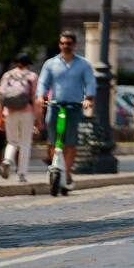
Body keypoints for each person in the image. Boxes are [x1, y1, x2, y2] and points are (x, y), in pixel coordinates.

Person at [35, 30, 95, 192]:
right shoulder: (51, 63)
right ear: (59, 44)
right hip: (55, 107)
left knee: (70, 142)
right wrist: (40, 96)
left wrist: (89, 98)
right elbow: (42, 82)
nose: (65, 46)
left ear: (74, 45)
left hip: (74, 107)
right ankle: (56, 165)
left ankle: (67, 172)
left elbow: (90, 82)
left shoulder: (83, 64)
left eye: (68, 43)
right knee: (53, 140)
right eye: (63, 43)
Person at [0, 53, 38, 182]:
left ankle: (7, 159)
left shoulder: (7, 75)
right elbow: (35, 98)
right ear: (28, 64)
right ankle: (21, 174)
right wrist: (38, 118)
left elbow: (0, 96)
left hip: (9, 111)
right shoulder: (32, 76)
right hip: (27, 112)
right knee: (25, 143)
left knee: (12, 141)